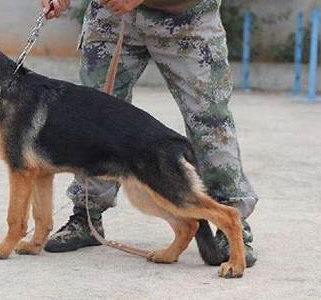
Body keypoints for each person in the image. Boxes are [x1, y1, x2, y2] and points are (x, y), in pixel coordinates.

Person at [40, 0, 258, 266]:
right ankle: (87, 213)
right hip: (111, 15)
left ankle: (231, 222)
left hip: (186, 16)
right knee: (92, 119)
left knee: (210, 122)